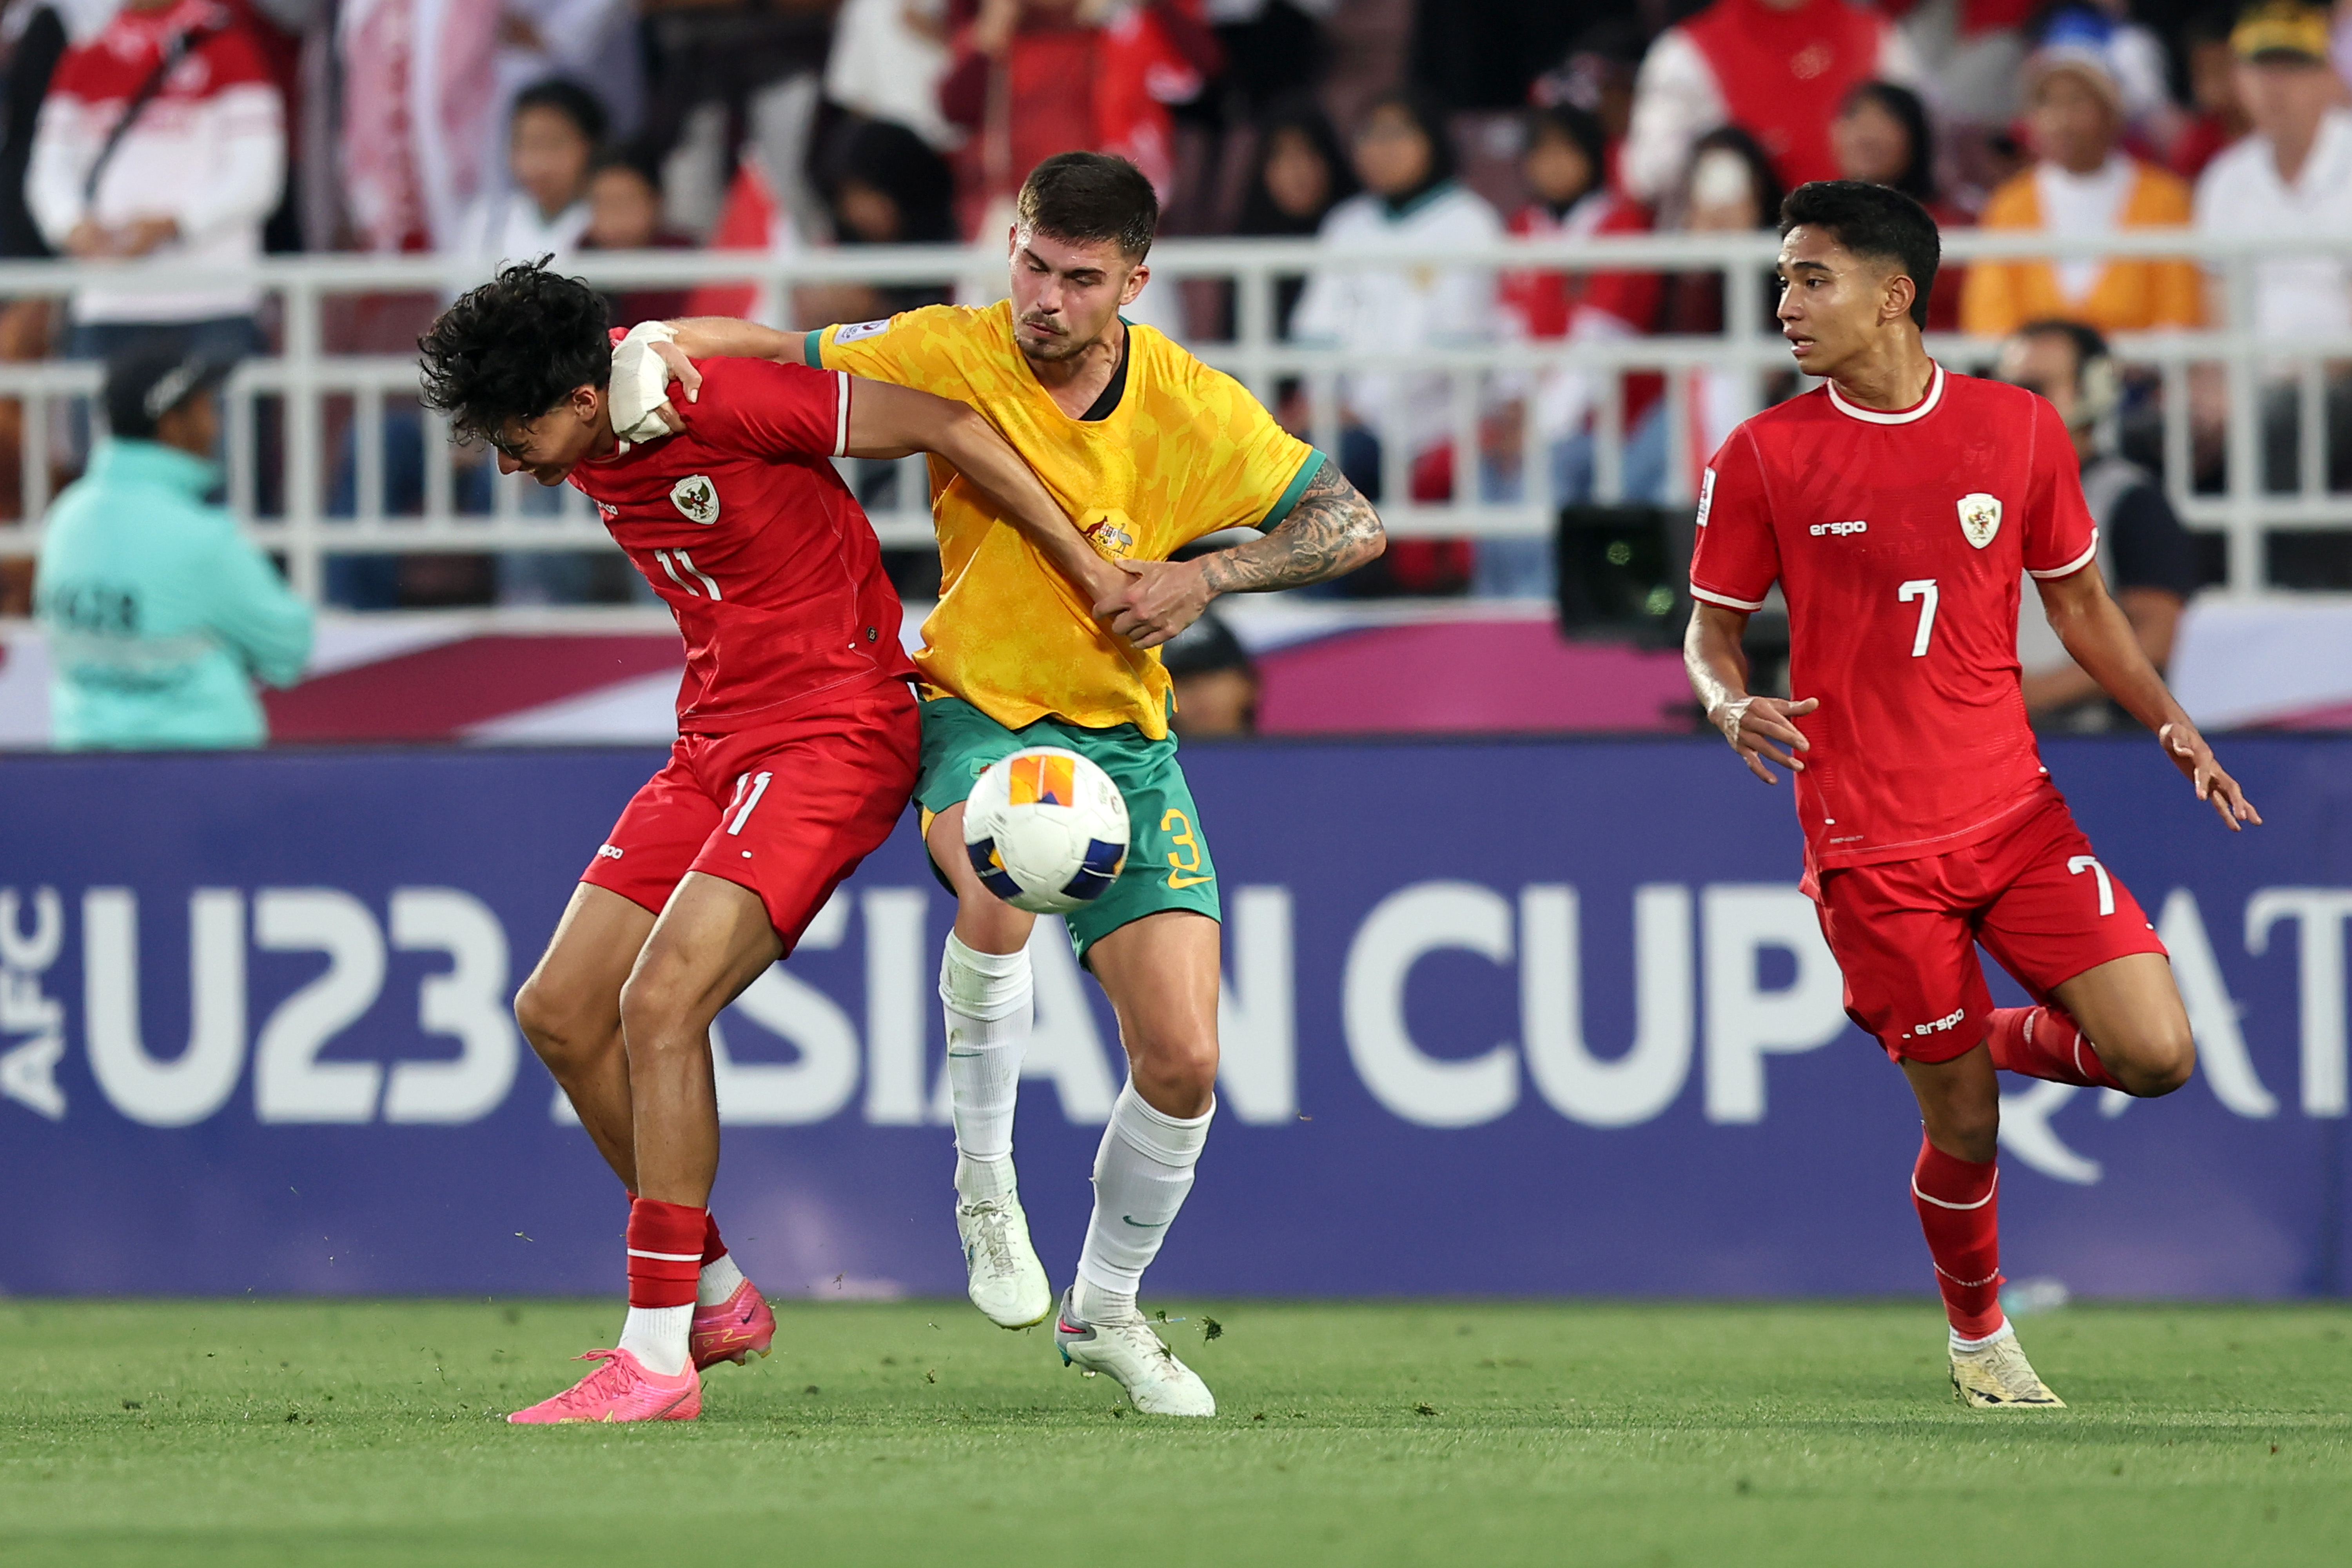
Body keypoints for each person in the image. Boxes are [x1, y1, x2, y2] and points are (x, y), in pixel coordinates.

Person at [613, 151, 1385, 1415]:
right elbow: (777, 345)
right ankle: (983, 1181)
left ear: (1135, 281)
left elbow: (1350, 520)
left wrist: (1208, 578)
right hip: (974, 710)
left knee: (1185, 1058)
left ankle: (1106, 1309)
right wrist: (653, 336)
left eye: (1080, 280)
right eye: (1031, 261)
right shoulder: (945, 347)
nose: (1044, 298)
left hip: (1130, 744)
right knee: (1006, 858)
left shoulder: (1192, 406)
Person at [416, 259, 1120, 1424]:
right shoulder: (614, 408)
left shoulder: (717, 400)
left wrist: (1083, 561)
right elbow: (641, 341)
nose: (506, 458)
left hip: (832, 734)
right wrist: (649, 339)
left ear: (581, 397)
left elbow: (942, 417)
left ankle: (655, 1357)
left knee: (659, 1007)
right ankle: (714, 1287)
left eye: (516, 428)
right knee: (558, 1010)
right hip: (713, 746)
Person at [1683, 179, 2260, 1408]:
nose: (1783, 302)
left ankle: (1953, 1032)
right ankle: (1979, 1337)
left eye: (1809, 277)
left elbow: (2081, 606)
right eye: (1782, 278)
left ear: (1893, 295)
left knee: (2156, 1053)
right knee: (1966, 1129)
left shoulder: (2016, 428)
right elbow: (1709, 633)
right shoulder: (1763, 454)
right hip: (1868, 842)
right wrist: (1727, 701)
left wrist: (2171, 723)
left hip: (2012, 814)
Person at [35, 343, 312, 749]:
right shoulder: (201, 537)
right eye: (204, 408)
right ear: (171, 425)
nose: (215, 425)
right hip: (203, 778)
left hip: (83, 771)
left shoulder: (64, 519)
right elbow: (291, 647)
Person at [1291, 87, 1497, 595]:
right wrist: (1326, 402)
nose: (1381, 150)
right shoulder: (1348, 223)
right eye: (1369, 137)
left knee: (1319, 480)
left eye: (1396, 135)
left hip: (1432, 421)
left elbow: (1456, 350)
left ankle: (1314, 616)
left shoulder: (1470, 223)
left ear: (1431, 141)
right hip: (1344, 421)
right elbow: (1315, 332)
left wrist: (1366, 412)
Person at [26, 0, 285, 367]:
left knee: (213, 425)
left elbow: (259, 176)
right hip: (107, 305)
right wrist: (73, 226)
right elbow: (47, 173)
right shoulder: (86, 55)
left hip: (212, 300)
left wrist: (175, 225)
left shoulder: (228, 47)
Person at [1995, 319, 2199, 727]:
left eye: (2036, 387)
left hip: (2090, 737)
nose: (2016, 402)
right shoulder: (1979, 493)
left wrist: (2036, 693)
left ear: (2094, 390)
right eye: (2006, 387)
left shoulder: (2128, 500)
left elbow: (2158, 636)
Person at [2192, 2, 2352, 492]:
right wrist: (2217, 385)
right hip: (2253, 382)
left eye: (2294, 69)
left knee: (2281, 419)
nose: (2276, 86)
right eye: (2262, 69)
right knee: (2154, 433)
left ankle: (2286, 571)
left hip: (2337, 376)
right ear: (2239, 80)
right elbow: (2216, 306)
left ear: (2328, 77)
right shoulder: (2224, 179)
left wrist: (2312, 367)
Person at [1960, 36, 2200, 339]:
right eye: (2047, 103)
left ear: (2111, 112)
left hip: (2143, 379)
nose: (2061, 119)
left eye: (2077, 101)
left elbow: (2179, 310)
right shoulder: (2010, 204)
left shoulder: (2164, 197)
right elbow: (1989, 317)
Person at [1620, 0, 1922, 207]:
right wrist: (1722, 163)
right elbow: (1645, 175)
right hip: (1743, 265)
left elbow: (1933, 157)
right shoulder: (1684, 53)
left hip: (1861, 250)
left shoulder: (1878, 38)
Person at [1830, 81, 1967, 331]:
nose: (1866, 135)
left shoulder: (1949, 224)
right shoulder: (1813, 222)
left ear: (1916, 136)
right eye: (1855, 117)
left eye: (1885, 119)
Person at [448, 77, 603, 270]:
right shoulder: (488, 221)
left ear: (591, 146)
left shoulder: (606, 220)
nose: (540, 164)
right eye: (527, 145)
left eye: (554, 144)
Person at [582, 146, 695, 328]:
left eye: (625, 203)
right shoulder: (580, 259)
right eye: (602, 203)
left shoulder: (688, 261)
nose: (614, 218)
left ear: (656, 201)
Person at [1161, 608, 1258, 736]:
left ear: (1247, 683)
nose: (1199, 693)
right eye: (1183, 682)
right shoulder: (1139, 755)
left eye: (1213, 677)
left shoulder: (1287, 753)